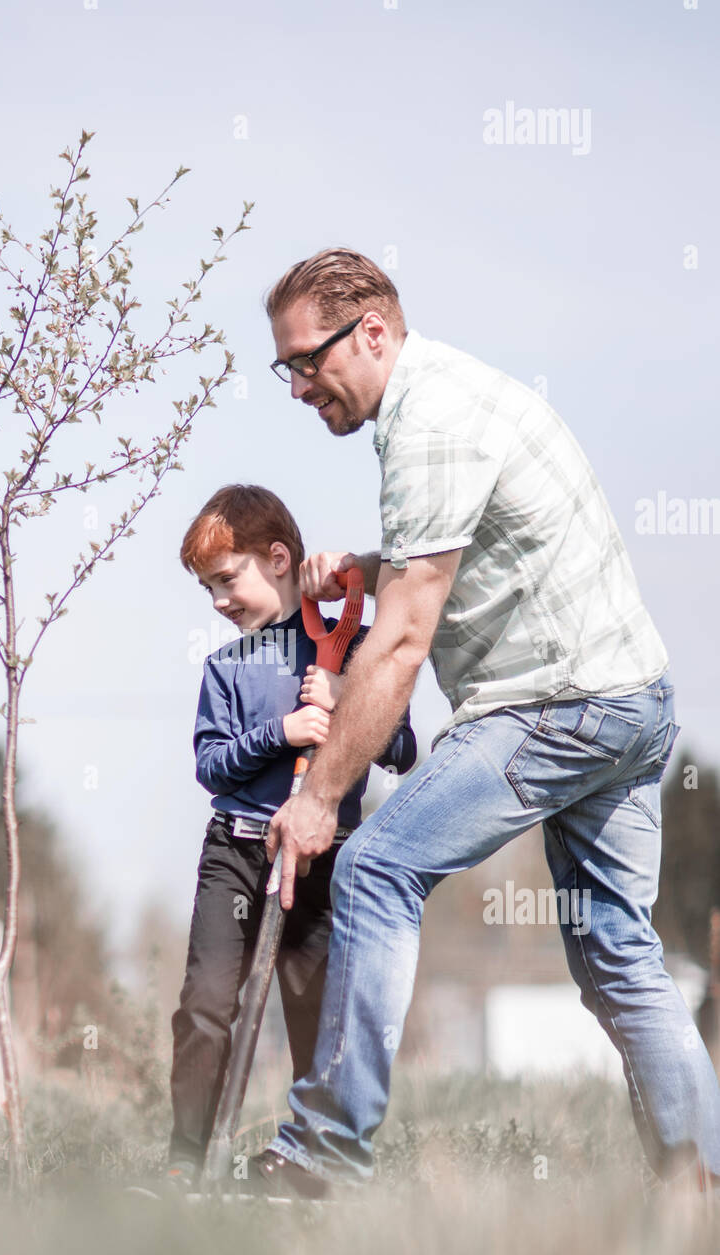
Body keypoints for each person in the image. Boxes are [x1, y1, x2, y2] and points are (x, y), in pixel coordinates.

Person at [236, 247, 720, 1199]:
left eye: (305, 361)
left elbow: (406, 638)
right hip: (630, 701)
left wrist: (320, 797)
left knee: (375, 869)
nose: (295, 386)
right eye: (283, 366)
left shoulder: (431, 426)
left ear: (370, 331)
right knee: (617, 950)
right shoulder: (444, 398)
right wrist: (363, 573)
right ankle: (700, 1184)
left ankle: (321, 1163)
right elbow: (452, 563)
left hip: (557, 710)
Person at [165, 483, 416, 1191]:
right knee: (206, 1006)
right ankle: (189, 1164)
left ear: (278, 559)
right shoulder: (225, 669)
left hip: (321, 856)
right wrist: (281, 733)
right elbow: (209, 765)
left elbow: (399, 748)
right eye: (206, 588)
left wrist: (342, 708)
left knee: (316, 1013)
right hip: (236, 854)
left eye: (226, 579)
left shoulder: (354, 648)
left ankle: (308, 1166)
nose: (218, 600)